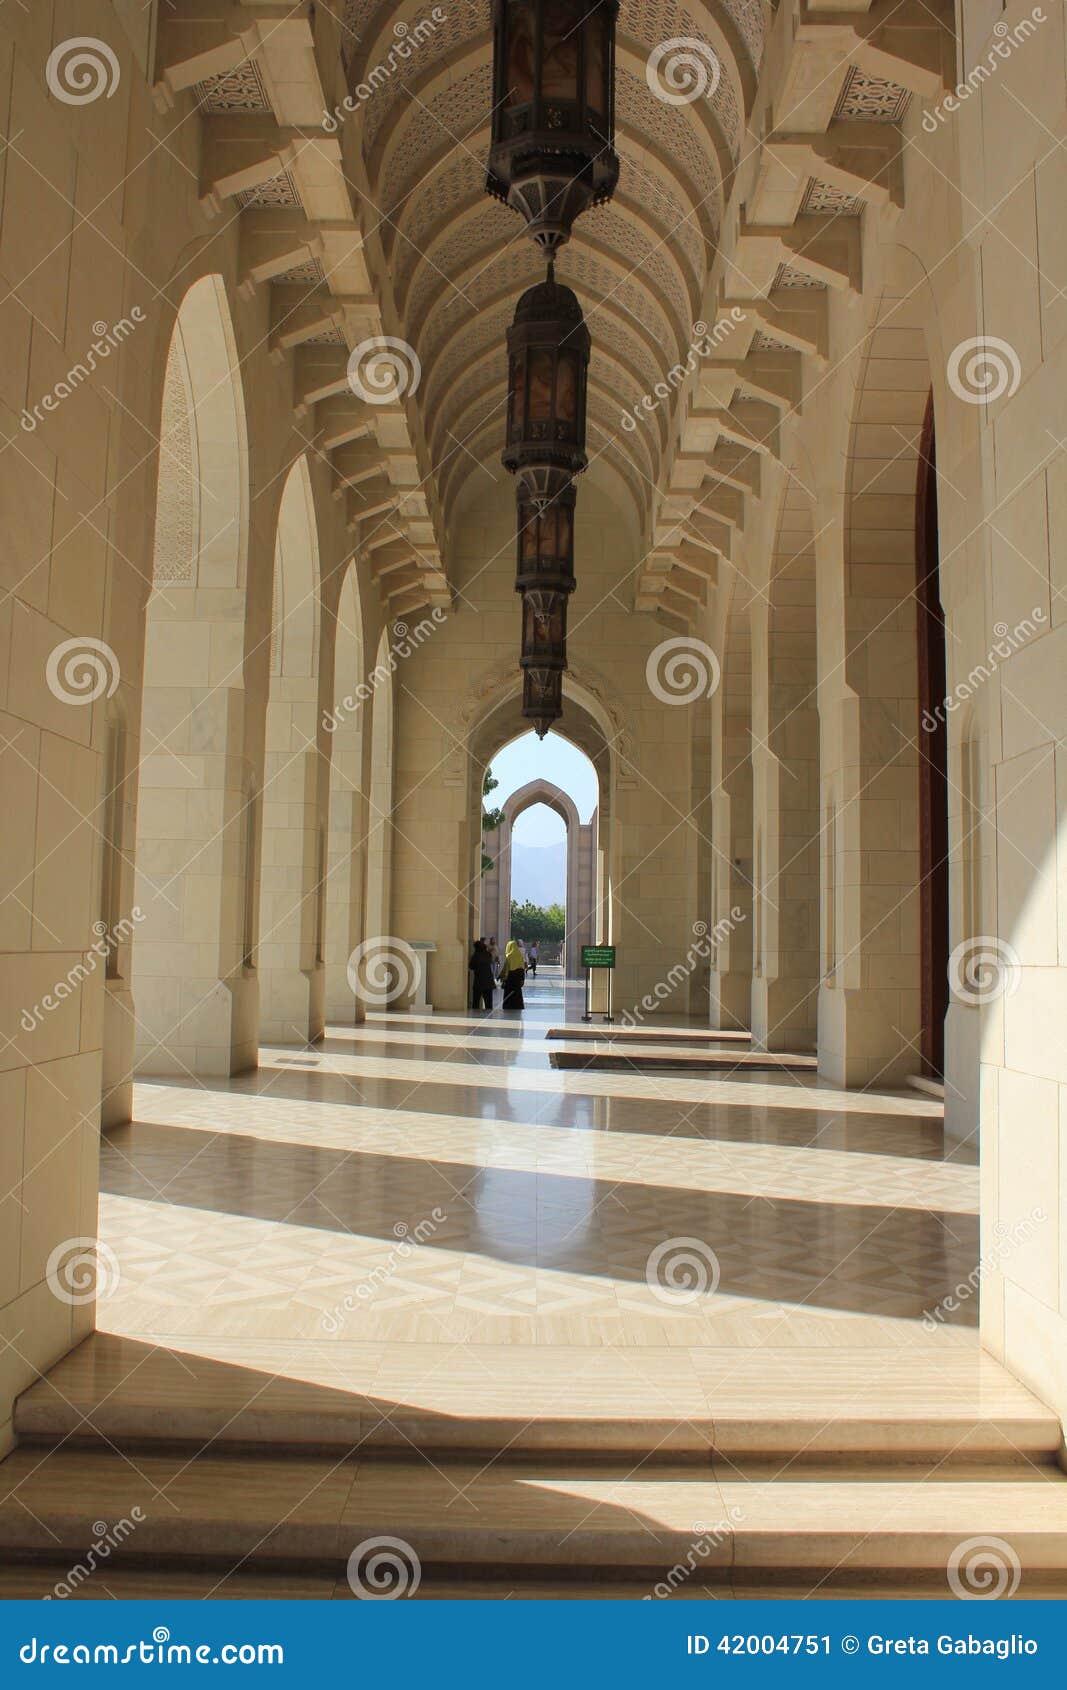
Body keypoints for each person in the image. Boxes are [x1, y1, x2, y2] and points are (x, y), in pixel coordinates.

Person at [469, 939, 496, 1012]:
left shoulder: (475, 955)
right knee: (488, 1004)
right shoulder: (488, 954)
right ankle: (489, 1018)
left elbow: (471, 966)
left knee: (476, 1002)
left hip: (479, 982)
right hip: (488, 982)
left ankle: (474, 1017)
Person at [501, 938, 526, 1010]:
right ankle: (518, 1006)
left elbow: (506, 969)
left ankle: (508, 1006)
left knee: (508, 993)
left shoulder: (509, 956)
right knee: (517, 992)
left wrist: (503, 977)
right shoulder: (520, 955)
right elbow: (522, 968)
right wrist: (522, 979)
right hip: (518, 977)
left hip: (510, 977)